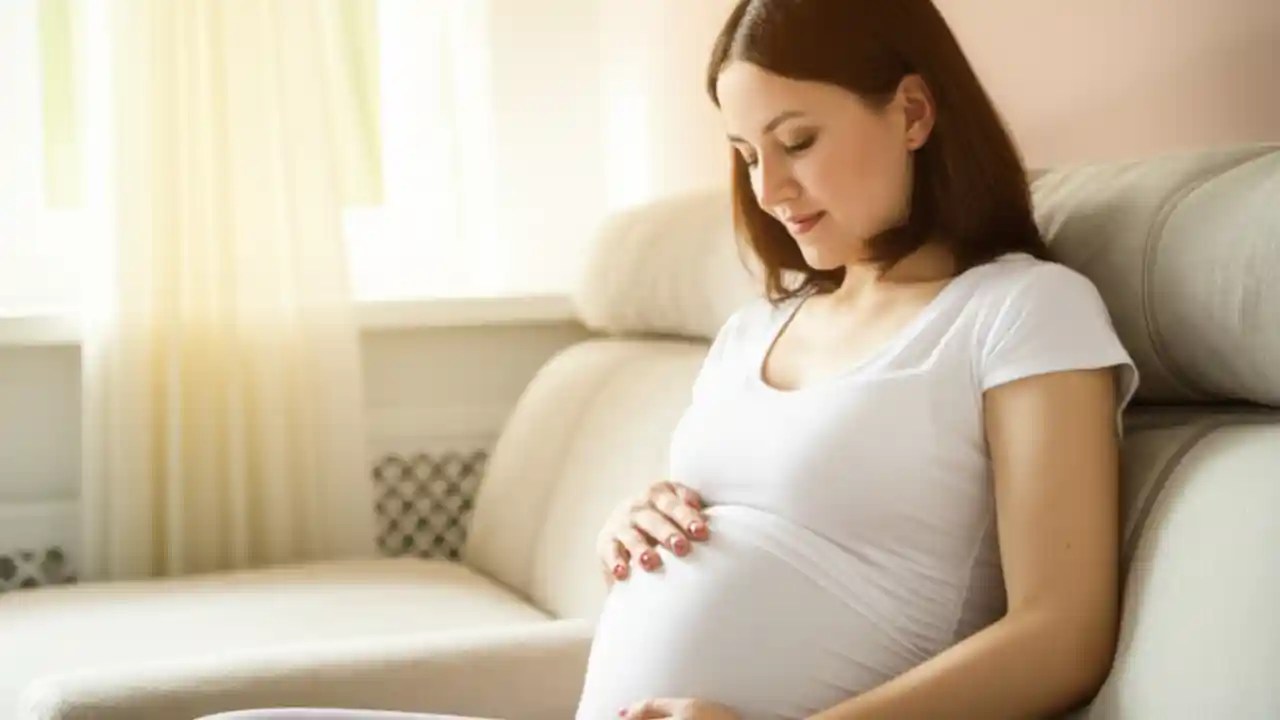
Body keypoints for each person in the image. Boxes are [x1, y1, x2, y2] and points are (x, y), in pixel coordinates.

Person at [576, 1, 1139, 719]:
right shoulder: (751, 331)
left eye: (798, 141)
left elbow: (1062, 637)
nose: (768, 190)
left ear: (911, 113)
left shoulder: (1020, 310)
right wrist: (628, 527)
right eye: (748, 155)